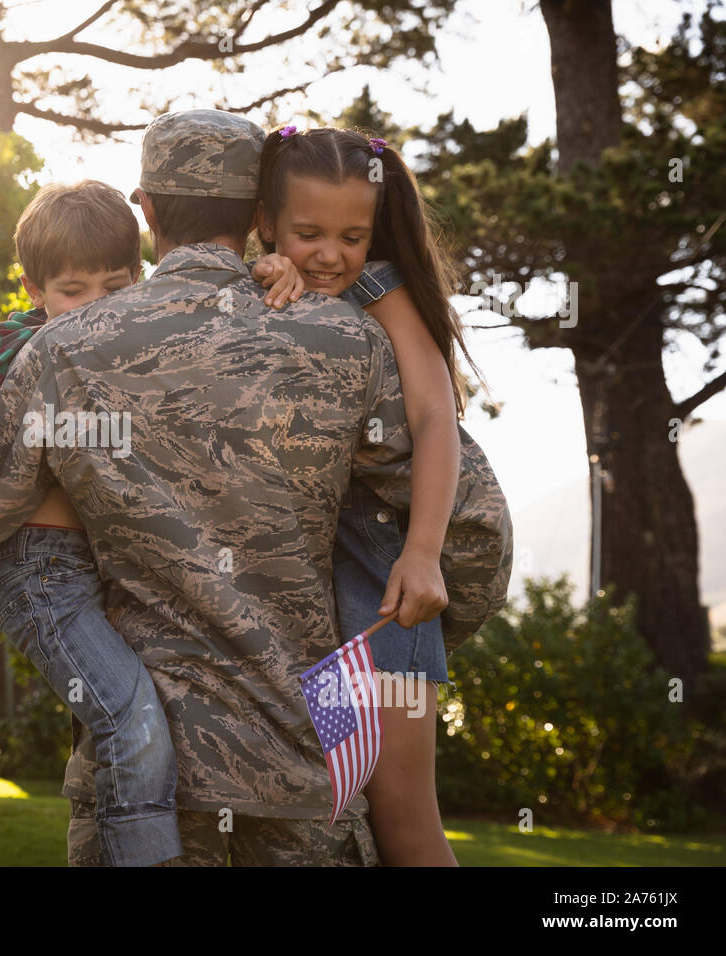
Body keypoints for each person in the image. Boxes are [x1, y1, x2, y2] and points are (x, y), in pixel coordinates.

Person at [0, 108, 513, 866]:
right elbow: (474, 525)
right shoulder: (349, 340)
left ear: (144, 208)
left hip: (140, 796)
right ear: (258, 215)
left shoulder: (60, 351)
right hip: (304, 779)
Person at [0, 179, 311, 866]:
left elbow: (221, 341)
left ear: (139, 276)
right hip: (40, 573)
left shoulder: (139, 342)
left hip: (116, 571)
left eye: (114, 288)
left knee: (150, 721)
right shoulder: (19, 340)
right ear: (33, 290)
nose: (94, 308)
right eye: (72, 292)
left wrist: (267, 269)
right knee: (132, 722)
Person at [254, 124, 487, 864]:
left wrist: (423, 555)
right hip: (316, 584)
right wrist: (264, 274)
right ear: (266, 222)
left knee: (403, 816)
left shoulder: (377, 289)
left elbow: (435, 417)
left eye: (353, 235)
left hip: (386, 579)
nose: (331, 255)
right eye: (308, 234)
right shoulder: (253, 282)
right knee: (342, 809)